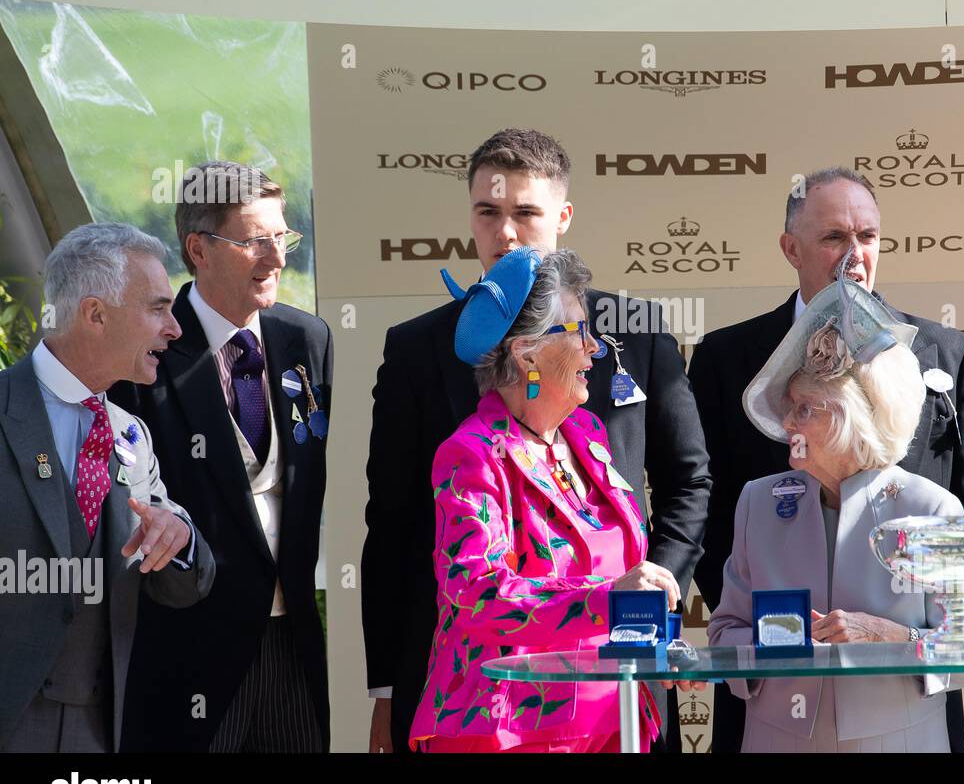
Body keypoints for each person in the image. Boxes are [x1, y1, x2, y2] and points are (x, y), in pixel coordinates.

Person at [362, 128, 710, 752]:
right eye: (488, 213)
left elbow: (686, 484)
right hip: (505, 715)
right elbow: (394, 528)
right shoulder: (423, 362)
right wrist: (387, 687)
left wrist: (651, 605)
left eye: (525, 212)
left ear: (563, 217)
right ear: (523, 353)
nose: (507, 234)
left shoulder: (593, 415)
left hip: (620, 703)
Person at [689, 167, 964, 753]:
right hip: (772, 702)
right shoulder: (727, 355)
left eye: (867, 237)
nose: (854, 255)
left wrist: (901, 631)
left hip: (902, 707)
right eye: (833, 238)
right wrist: (769, 622)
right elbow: (707, 501)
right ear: (790, 248)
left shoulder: (946, 350)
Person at [408, 247, 674, 751]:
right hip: (511, 731)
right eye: (577, 331)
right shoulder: (471, 456)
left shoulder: (587, 432)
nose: (595, 347)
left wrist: (661, 651)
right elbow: (479, 594)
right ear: (526, 353)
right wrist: (608, 598)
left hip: (615, 722)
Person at [110, 162, 333, 752]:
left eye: (282, 237)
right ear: (199, 249)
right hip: (188, 656)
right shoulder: (147, 350)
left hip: (293, 653)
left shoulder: (306, 339)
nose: (277, 258)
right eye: (255, 241)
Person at [0, 223, 214, 752]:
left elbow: (187, 582)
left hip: (102, 732)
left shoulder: (129, 434)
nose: (175, 329)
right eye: (158, 308)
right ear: (95, 314)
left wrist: (179, 539)